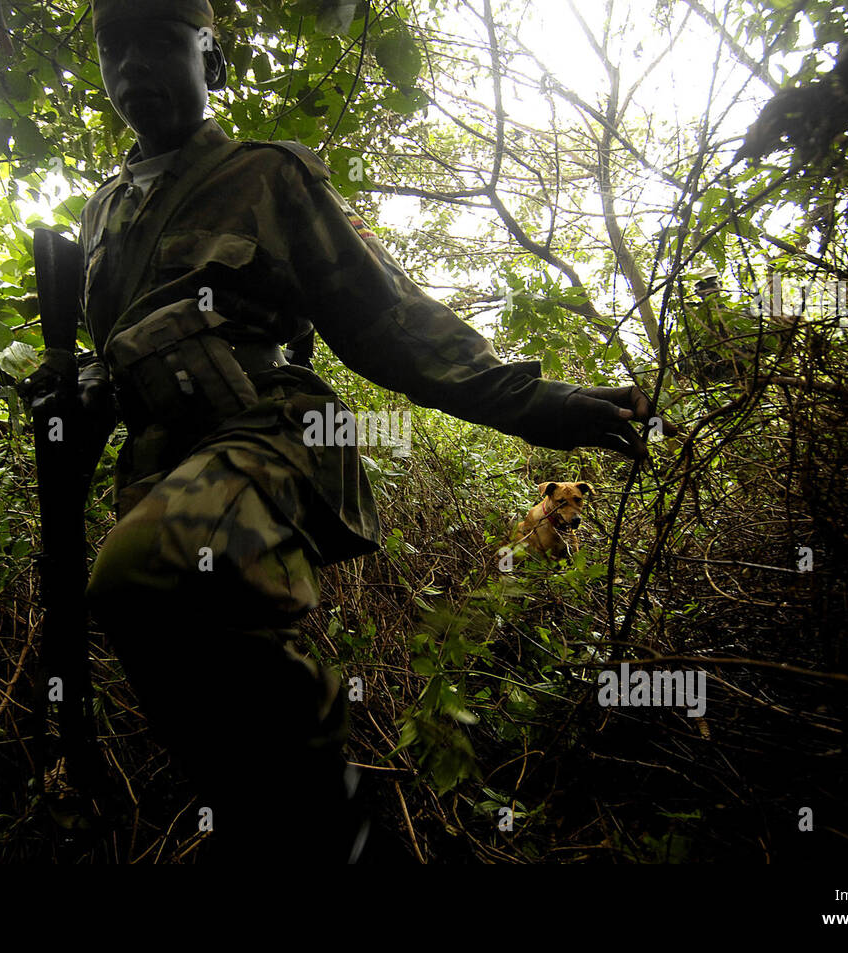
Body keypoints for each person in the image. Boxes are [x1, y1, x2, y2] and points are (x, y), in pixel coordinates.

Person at [58, 0, 673, 864]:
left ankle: (336, 814)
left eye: (157, 42)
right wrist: (76, 388)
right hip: (160, 466)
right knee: (161, 636)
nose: (132, 68)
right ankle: (279, 828)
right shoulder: (101, 212)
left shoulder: (265, 176)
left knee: (138, 576)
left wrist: (539, 403)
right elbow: (113, 354)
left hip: (267, 435)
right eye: (112, 47)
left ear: (209, 55)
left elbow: (389, 324)